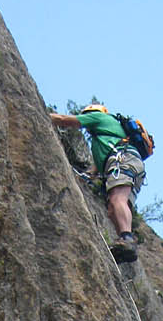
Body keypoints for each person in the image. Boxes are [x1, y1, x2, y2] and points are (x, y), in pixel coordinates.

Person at [48, 105, 145, 261]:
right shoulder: (104, 139)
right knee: (112, 208)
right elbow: (96, 167)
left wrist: (43, 113)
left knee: (117, 199)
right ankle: (124, 243)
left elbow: (64, 120)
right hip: (129, 163)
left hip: (123, 160)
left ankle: (127, 238)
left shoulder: (100, 117)